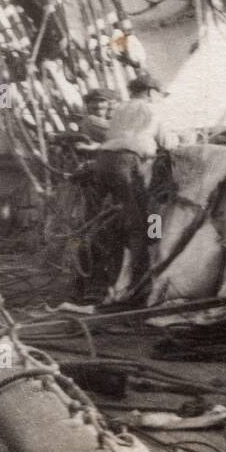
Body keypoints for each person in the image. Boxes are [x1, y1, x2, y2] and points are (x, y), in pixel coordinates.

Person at [96, 73, 170, 300]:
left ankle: (114, 278)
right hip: (129, 163)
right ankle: (137, 282)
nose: (160, 99)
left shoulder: (120, 109)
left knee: (122, 217)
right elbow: (166, 142)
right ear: (150, 92)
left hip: (105, 161)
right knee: (143, 221)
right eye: (159, 95)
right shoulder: (152, 109)